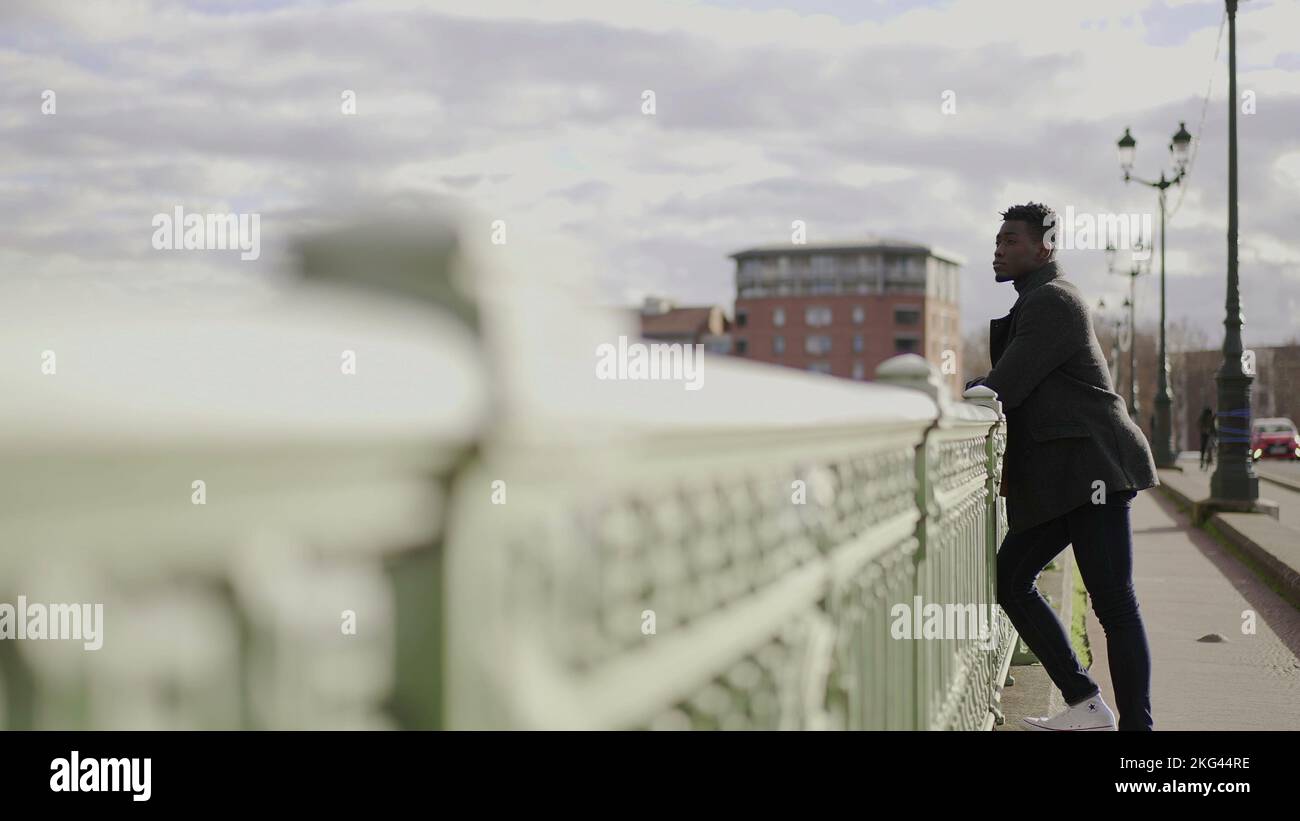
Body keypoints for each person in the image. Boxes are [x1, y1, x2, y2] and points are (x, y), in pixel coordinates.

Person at [966, 202, 1160, 731]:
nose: (998, 249)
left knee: (1113, 604)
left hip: (1092, 468)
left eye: (1010, 240)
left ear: (1044, 247)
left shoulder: (1053, 300)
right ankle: (1086, 704)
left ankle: (1136, 728)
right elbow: (1009, 376)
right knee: (1011, 579)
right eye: (997, 240)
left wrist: (968, 396)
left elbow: (1007, 383)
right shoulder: (1041, 300)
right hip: (1067, 477)